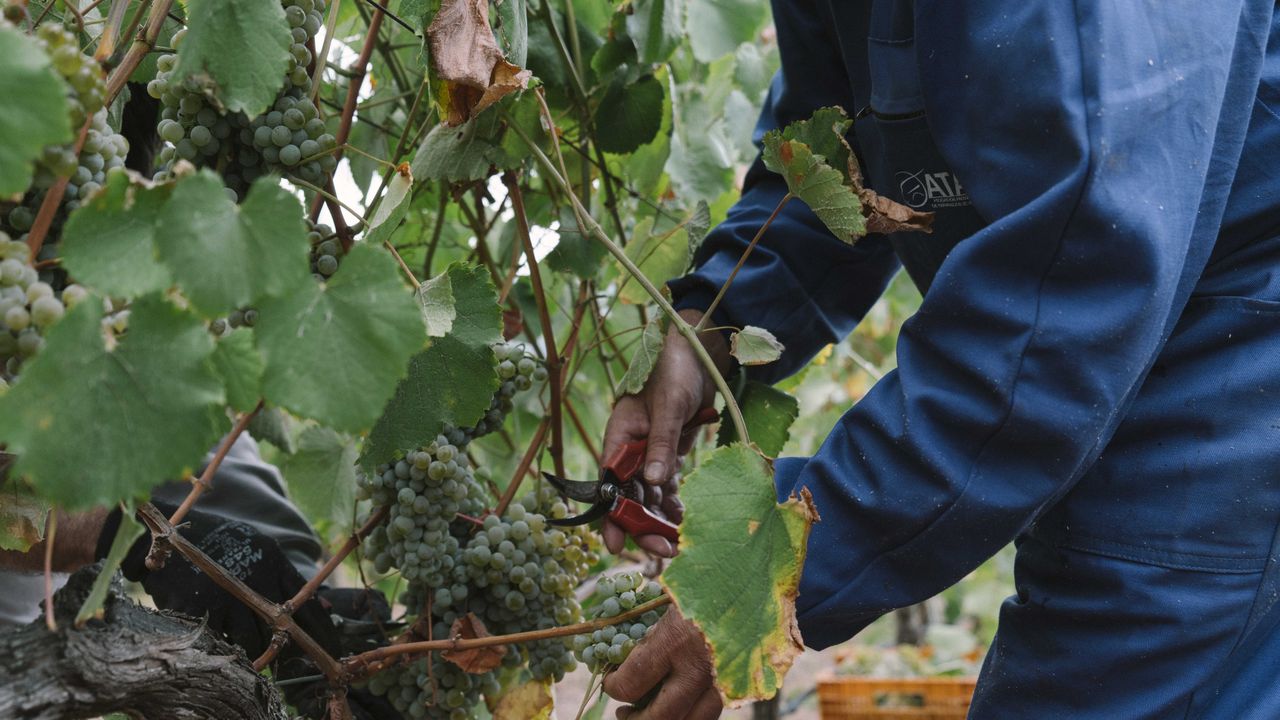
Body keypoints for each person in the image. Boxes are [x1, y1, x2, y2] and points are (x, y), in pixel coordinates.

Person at [600, 2, 1280, 718]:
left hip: (1219, 395)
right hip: (1120, 375)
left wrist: (781, 562)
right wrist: (716, 320)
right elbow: (833, 157)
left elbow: (1067, 281)